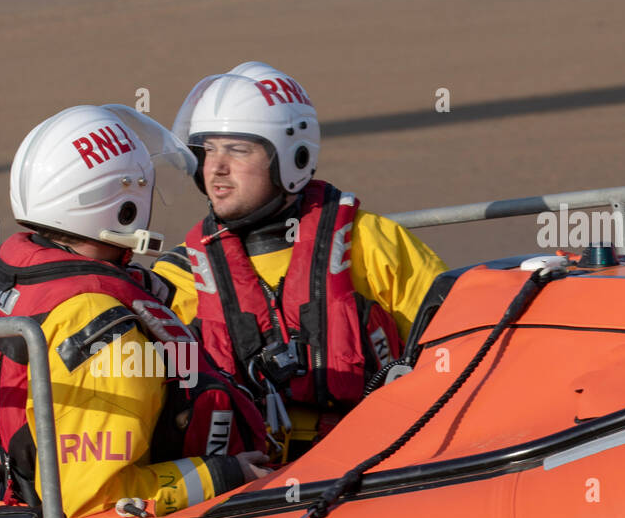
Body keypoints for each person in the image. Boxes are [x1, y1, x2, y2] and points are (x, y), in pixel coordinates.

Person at [0, 104, 268, 518]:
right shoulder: (103, 330)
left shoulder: (19, 273)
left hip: (17, 497)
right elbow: (92, 500)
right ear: (122, 204)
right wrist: (224, 472)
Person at [152, 62, 448, 459]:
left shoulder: (372, 243)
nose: (215, 168)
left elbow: (456, 345)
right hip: (245, 485)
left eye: (238, 150)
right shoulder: (179, 276)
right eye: (205, 150)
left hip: (376, 464)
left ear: (294, 158)